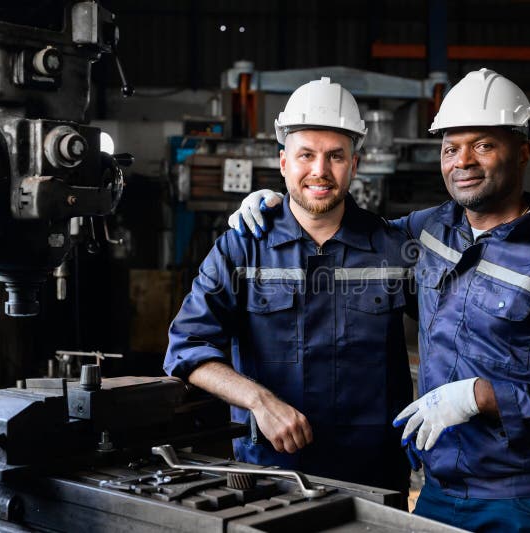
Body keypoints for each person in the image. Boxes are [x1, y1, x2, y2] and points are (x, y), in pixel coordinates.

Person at [232, 69, 530, 533]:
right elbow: (345, 230)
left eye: (483, 145)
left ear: (522, 151)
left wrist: (482, 397)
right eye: (451, 148)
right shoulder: (429, 232)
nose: (464, 161)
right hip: (440, 488)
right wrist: (280, 206)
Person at [164, 77, 414, 495]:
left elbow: (460, 326)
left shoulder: (393, 249)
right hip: (270, 477)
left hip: (372, 478)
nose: (320, 170)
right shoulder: (241, 248)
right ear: (284, 163)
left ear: (354, 165)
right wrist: (260, 402)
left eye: (335, 156)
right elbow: (185, 349)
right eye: (306, 155)